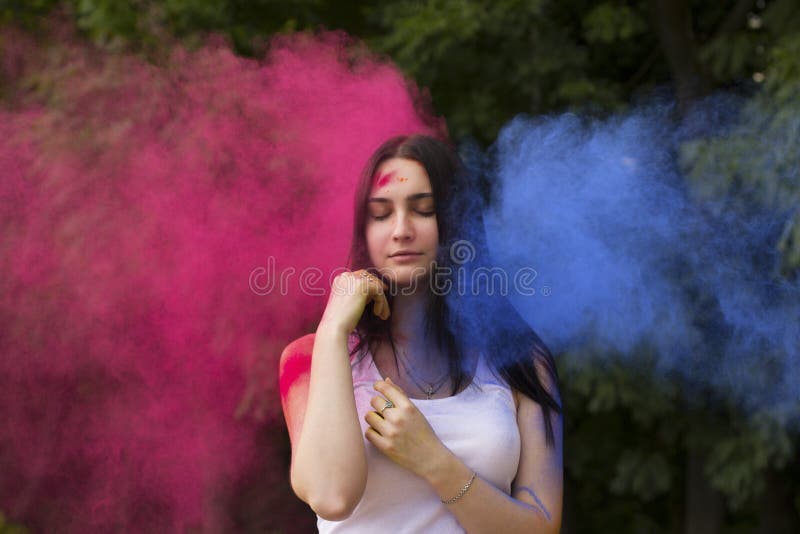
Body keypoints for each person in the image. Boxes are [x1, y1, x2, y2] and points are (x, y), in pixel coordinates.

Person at [279, 134, 563, 533]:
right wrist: (332, 330)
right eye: (380, 214)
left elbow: (542, 529)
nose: (400, 230)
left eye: (423, 210)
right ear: (362, 232)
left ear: (457, 222)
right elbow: (332, 497)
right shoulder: (309, 358)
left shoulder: (520, 360)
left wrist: (433, 460)